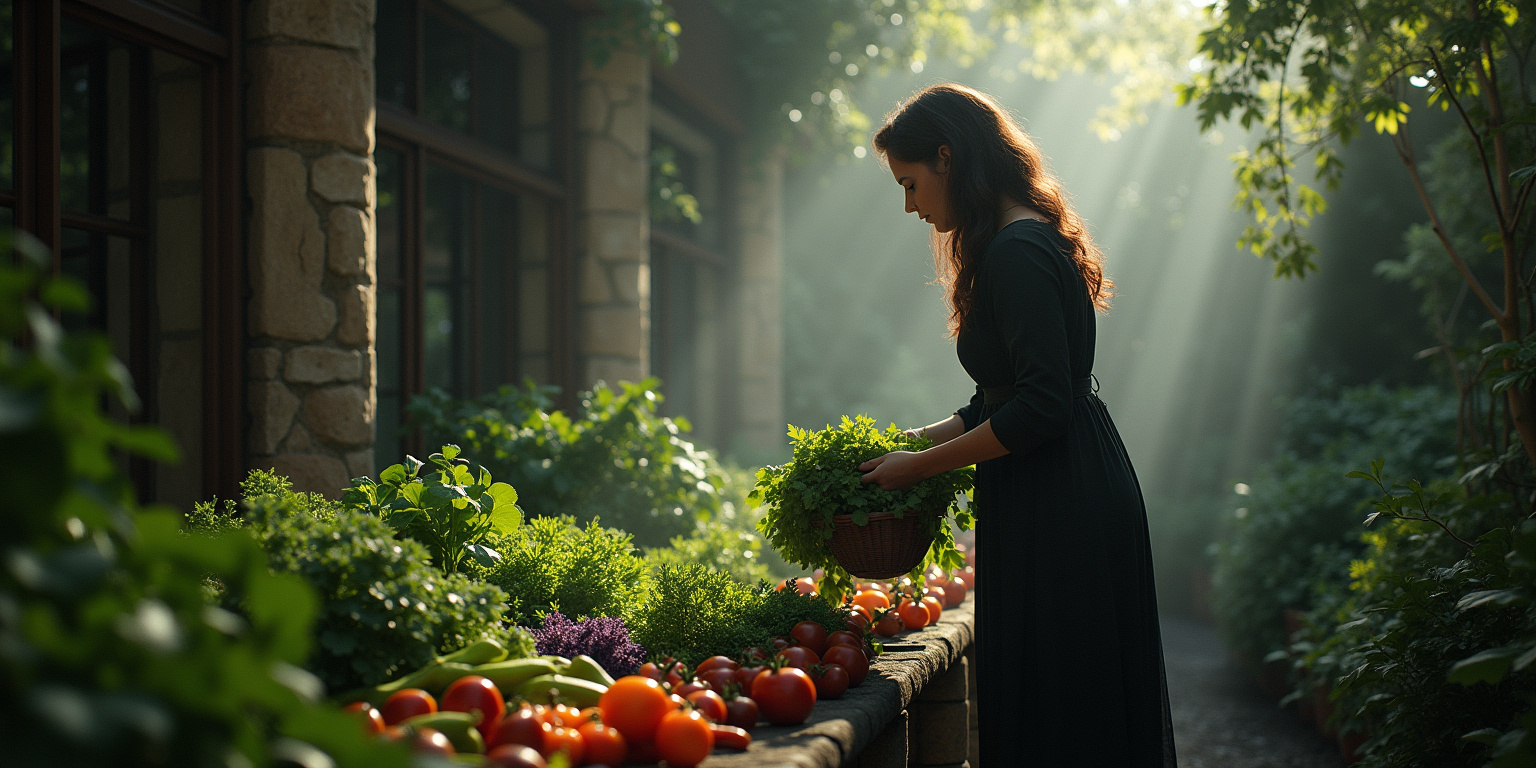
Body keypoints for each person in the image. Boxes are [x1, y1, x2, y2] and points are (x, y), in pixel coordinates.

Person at [856, 83, 1178, 767]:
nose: (910, 206)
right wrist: (913, 441)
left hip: (1065, 501)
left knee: (1066, 716)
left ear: (947, 157)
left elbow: (1041, 408)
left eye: (911, 184)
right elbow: (999, 402)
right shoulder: (1012, 244)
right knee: (1055, 708)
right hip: (1051, 489)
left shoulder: (1017, 251)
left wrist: (916, 468)